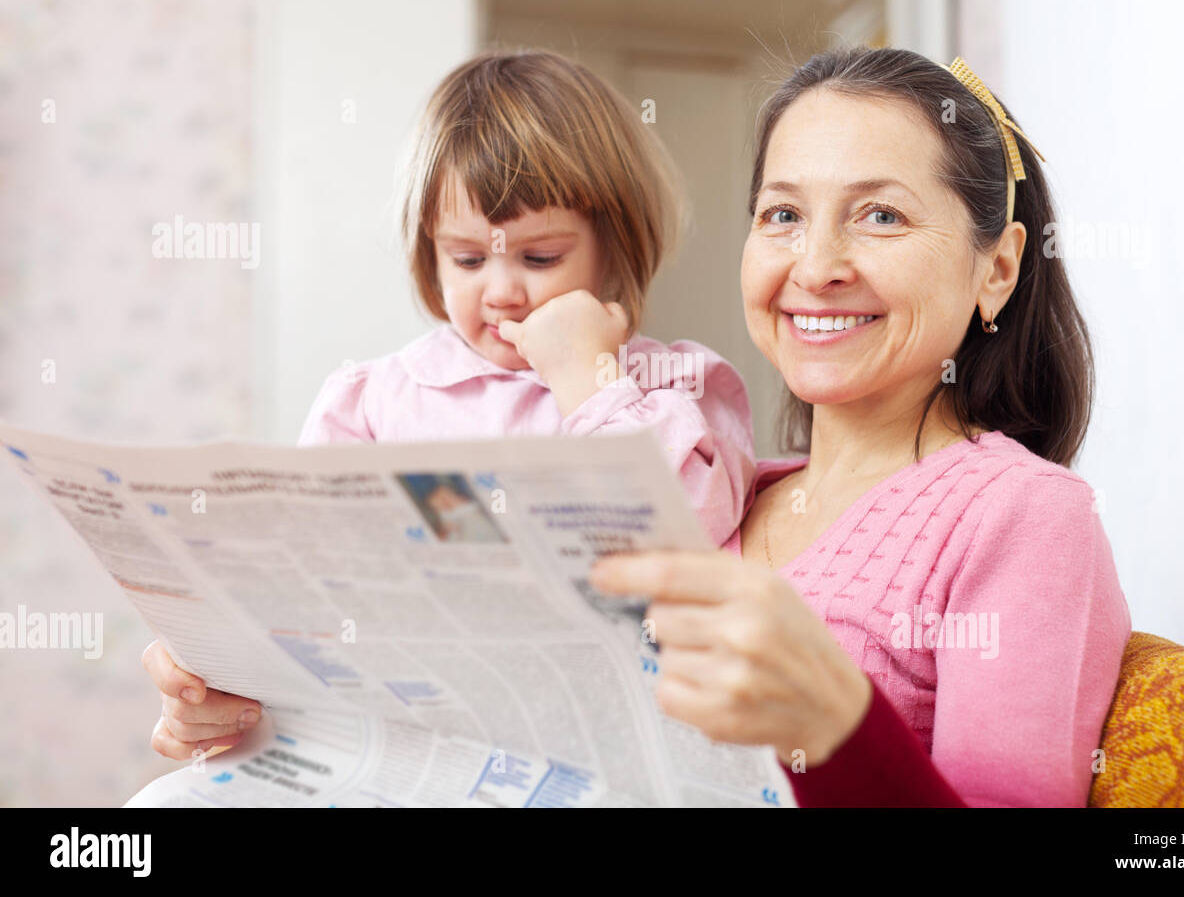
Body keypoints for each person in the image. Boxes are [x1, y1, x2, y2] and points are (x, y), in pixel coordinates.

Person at [141, 49, 756, 762]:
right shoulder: (370, 401)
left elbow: (699, 527)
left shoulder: (674, 383)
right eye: (467, 259)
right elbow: (296, 586)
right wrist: (210, 675)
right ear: (429, 255)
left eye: (540, 257)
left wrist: (589, 380)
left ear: (613, 248)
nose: (499, 291)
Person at [589, 47, 1131, 806]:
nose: (816, 267)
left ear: (998, 268)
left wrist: (839, 727)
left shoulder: (1026, 516)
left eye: (881, 215)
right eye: (783, 215)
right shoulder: (717, 491)